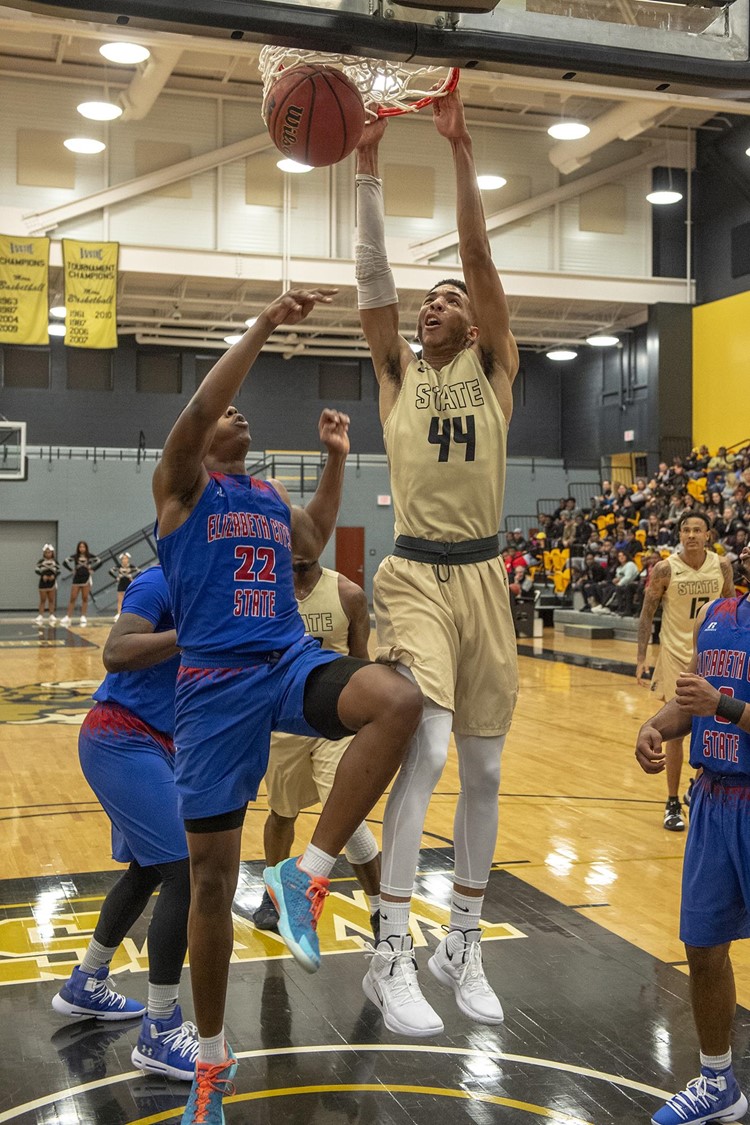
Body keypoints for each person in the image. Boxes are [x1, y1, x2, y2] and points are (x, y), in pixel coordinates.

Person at [151, 287, 422, 1125]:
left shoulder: (267, 499)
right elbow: (199, 405)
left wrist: (338, 456)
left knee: (397, 700)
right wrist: (266, 322)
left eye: (240, 414)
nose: (239, 418)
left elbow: (316, 534)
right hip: (212, 688)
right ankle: (210, 1059)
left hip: (285, 660)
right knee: (207, 880)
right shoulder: (181, 488)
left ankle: (307, 876)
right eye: (230, 413)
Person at [353, 88, 519, 1038]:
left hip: (487, 580)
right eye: (431, 301)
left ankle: (464, 939)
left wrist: (460, 151)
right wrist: (368, 170)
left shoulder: (495, 366)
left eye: (448, 298)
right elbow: (374, 281)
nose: (436, 303)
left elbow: (482, 260)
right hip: (416, 571)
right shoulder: (397, 374)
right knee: (429, 746)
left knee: (487, 775)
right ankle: (391, 950)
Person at [52, 566, 199, 1082]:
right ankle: (160, 1030)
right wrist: (194, 631)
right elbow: (115, 651)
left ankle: (85, 981)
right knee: (185, 871)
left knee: (149, 870)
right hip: (121, 736)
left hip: (157, 743)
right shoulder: (160, 581)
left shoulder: (219, 583)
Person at [635, 544, 750, 1125]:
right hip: (714, 798)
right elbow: (692, 702)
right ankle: (717, 1082)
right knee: (703, 948)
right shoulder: (719, 619)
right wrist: (654, 726)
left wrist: (723, 705)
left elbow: (716, 702)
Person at [253, 523, 381, 939]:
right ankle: (272, 892)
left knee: (350, 815)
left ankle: (381, 908)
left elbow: (361, 663)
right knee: (282, 812)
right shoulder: (265, 594)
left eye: (305, 563)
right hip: (283, 720)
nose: (297, 570)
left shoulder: (348, 595)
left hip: (334, 721)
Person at [636, 511, 734, 830]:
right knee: (675, 731)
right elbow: (647, 613)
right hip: (675, 655)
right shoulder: (665, 568)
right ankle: (672, 801)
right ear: (679, 535)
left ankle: (697, 788)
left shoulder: (721, 566)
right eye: (685, 530)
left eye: (697, 530)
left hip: (711, 656)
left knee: (711, 722)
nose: (691, 535)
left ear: (709, 535)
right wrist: (641, 658)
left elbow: (733, 609)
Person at [61, 540, 101, 626]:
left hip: (86, 578)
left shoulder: (89, 556)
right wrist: (71, 570)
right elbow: (65, 562)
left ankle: (83, 616)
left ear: (86, 548)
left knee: (85, 598)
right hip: (76, 579)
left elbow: (99, 561)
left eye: (83, 547)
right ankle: (68, 616)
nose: (82, 548)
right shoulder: (75, 556)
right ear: (78, 548)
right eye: (80, 547)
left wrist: (93, 570)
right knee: (73, 597)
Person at [109, 552, 141, 620]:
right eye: (123, 559)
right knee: (120, 599)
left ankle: (131, 613)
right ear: (121, 560)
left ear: (128, 559)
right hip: (121, 583)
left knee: (130, 597)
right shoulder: (118, 566)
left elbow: (139, 571)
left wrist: (133, 578)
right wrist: (116, 577)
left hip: (129, 583)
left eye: (126, 558)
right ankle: (119, 613)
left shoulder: (131, 566)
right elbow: (110, 571)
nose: (125, 560)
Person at [35, 543, 60, 625]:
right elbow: (36, 570)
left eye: (49, 552)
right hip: (43, 582)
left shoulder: (55, 561)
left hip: (52, 582)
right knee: (42, 600)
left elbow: (58, 570)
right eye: (46, 552)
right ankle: (40, 615)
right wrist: (43, 576)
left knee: (51, 599)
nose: (48, 554)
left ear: (52, 553)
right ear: (44, 553)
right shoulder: (41, 561)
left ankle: (51, 614)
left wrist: (54, 576)